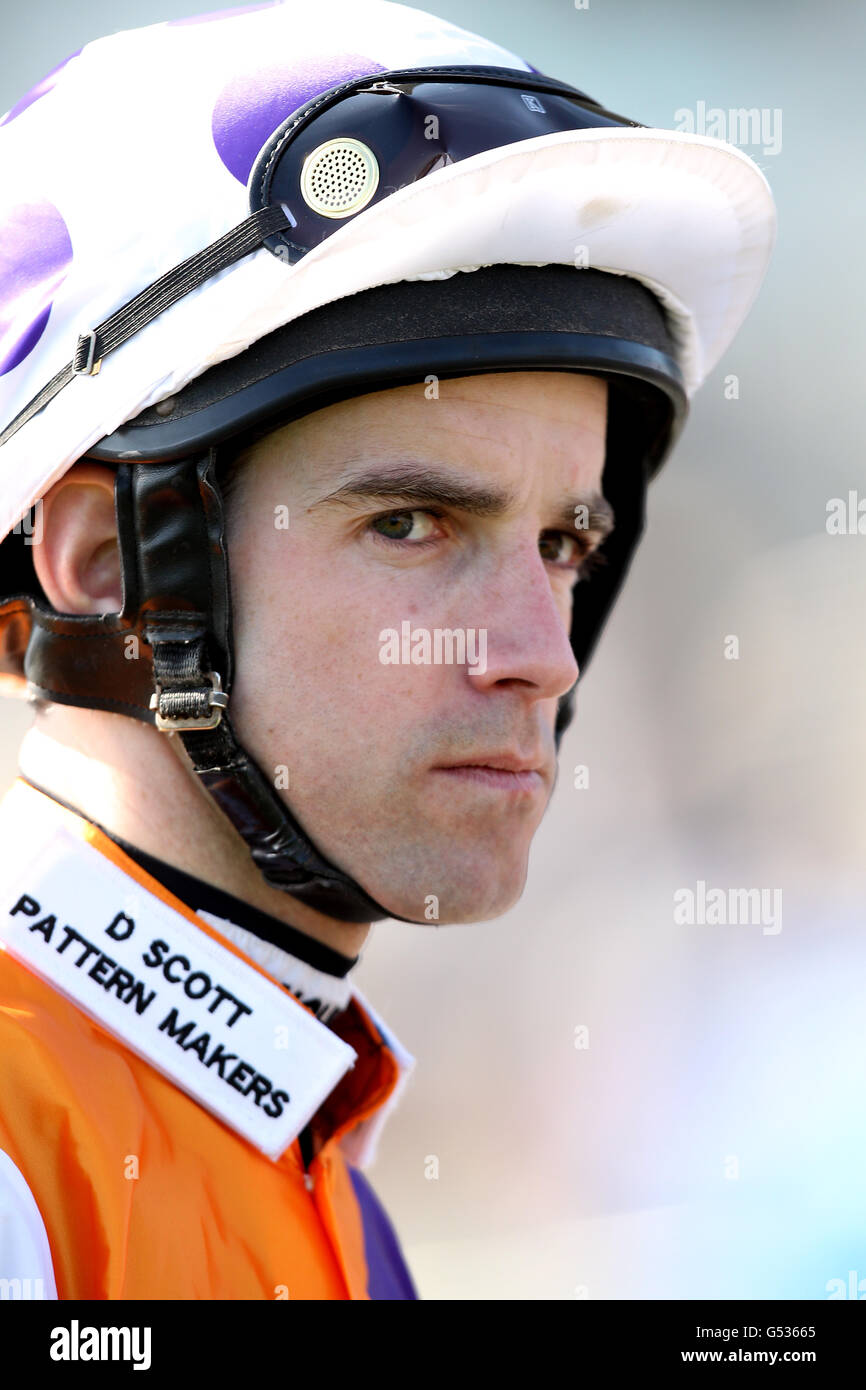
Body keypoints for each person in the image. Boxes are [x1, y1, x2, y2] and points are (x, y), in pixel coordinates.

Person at [0, 0, 776, 1300]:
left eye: (561, 545)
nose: (542, 656)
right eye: (412, 522)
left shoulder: (308, 1155)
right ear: (108, 562)